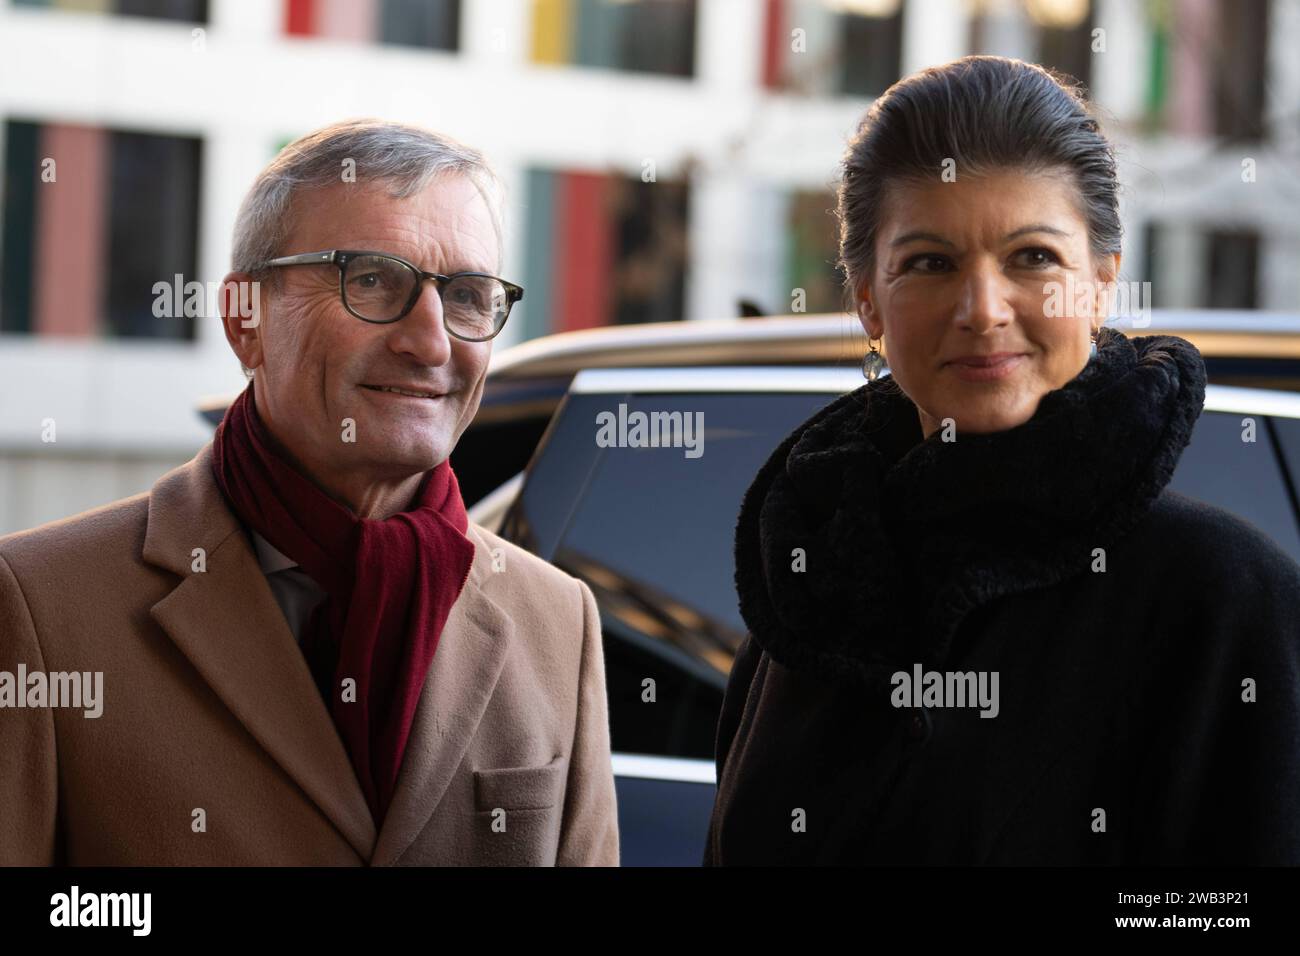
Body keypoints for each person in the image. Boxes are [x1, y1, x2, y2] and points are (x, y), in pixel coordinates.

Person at [704, 56, 1300, 865]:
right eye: (929, 263)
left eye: (1033, 258)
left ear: (1100, 284)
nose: (983, 310)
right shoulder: (804, 597)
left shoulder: (1223, 599)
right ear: (868, 301)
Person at [0, 120, 619, 866]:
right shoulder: (38, 608)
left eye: (467, 295)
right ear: (245, 320)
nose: (429, 342)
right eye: (371, 280)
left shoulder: (559, 621)